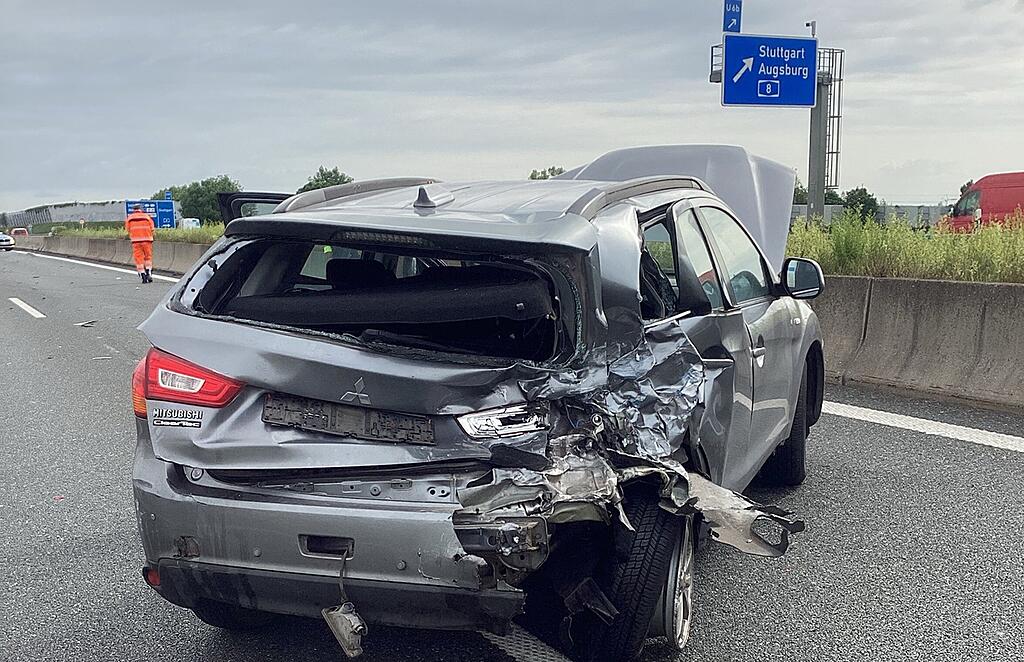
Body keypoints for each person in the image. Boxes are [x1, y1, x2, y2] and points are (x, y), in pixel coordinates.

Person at [125, 204, 155, 283]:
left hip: (136, 241)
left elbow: (128, 229)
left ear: (133, 210)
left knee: (138, 259)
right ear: (141, 209)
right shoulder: (146, 217)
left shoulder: (130, 218)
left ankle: (142, 274)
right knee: (148, 257)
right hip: (147, 240)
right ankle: (148, 272)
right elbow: (152, 228)